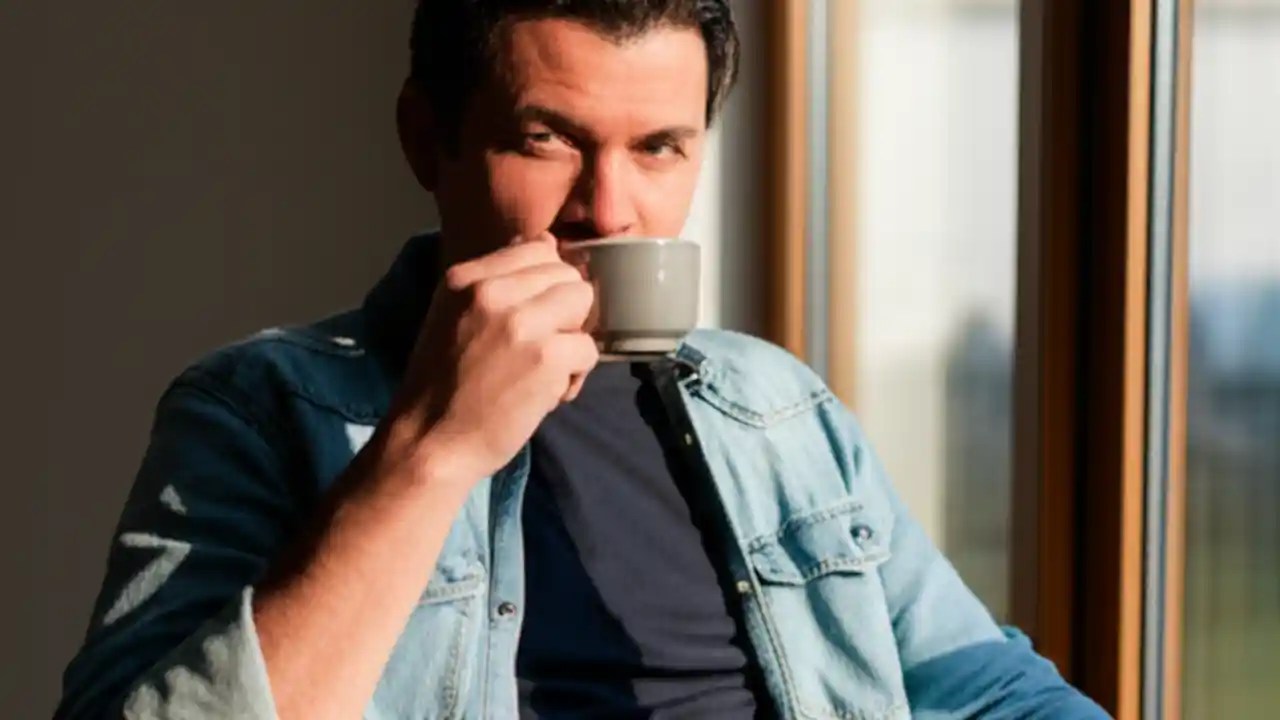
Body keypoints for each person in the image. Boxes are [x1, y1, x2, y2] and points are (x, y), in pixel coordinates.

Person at [56, 1, 1108, 718]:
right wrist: (430, 453)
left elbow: (983, 685)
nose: (608, 211)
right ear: (427, 142)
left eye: (658, 148)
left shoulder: (779, 409)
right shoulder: (256, 408)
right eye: (547, 139)